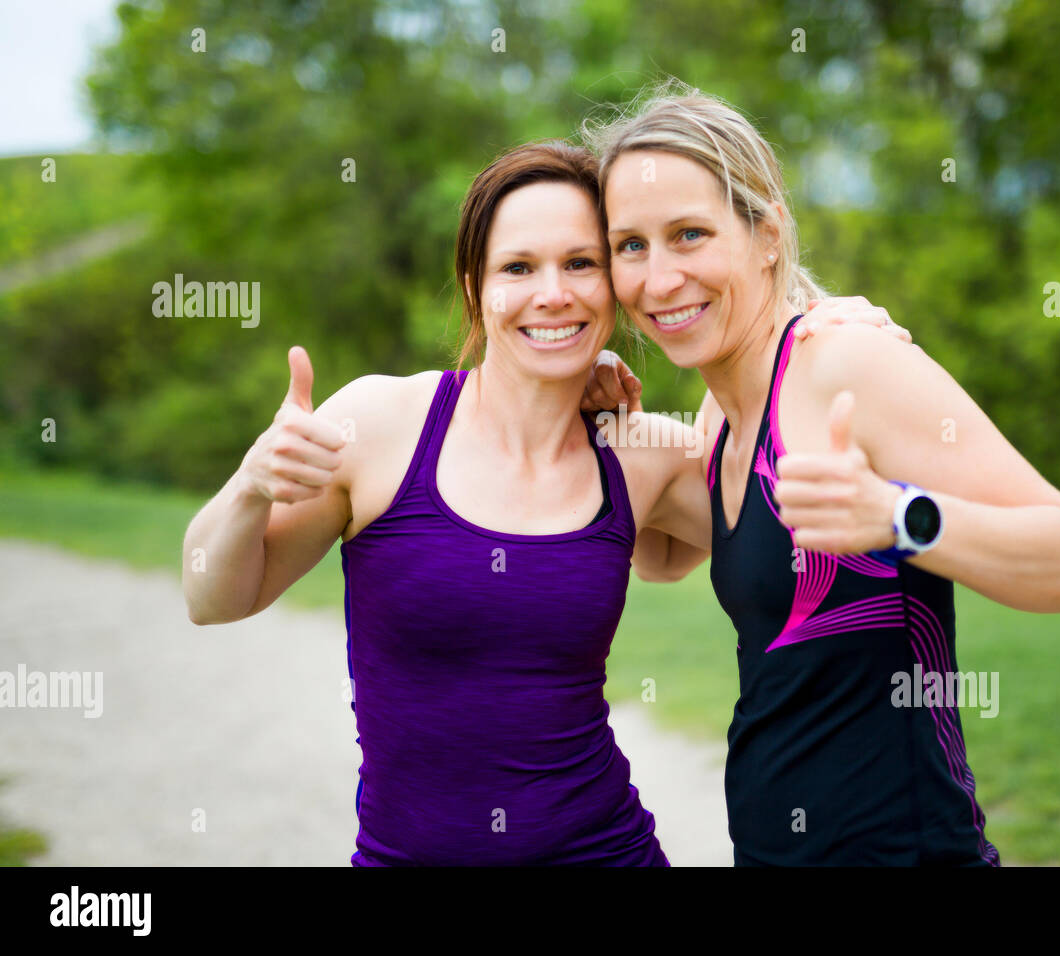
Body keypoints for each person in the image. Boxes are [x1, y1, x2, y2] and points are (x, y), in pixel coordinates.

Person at [180, 138, 906, 865]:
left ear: (616, 284)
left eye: (580, 264)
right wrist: (250, 484)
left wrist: (817, 331)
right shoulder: (377, 425)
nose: (552, 292)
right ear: (475, 286)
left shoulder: (639, 452)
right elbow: (213, 595)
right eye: (519, 267)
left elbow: (753, 496)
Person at [581, 81, 1060, 866]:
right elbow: (662, 554)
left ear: (768, 235)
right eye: (631, 245)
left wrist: (900, 517)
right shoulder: (720, 417)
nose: (658, 280)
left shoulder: (845, 365)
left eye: (690, 235)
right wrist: (583, 407)